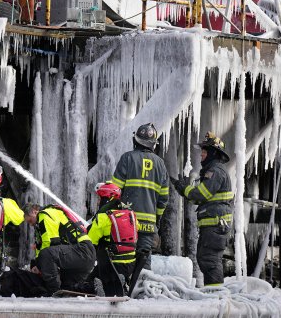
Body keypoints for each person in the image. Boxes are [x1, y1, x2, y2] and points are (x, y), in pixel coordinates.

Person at [170, 132, 234, 286]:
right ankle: (214, 294)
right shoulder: (213, 171)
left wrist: (184, 188)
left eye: (204, 152)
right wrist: (183, 189)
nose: (201, 155)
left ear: (213, 153)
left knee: (209, 259)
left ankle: (216, 297)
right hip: (214, 225)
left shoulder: (216, 171)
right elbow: (197, 197)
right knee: (206, 258)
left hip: (215, 225)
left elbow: (200, 194)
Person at [110, 123, 169, 262]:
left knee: (124, 261)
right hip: (148, 225)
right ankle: (143, 283)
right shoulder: (161, 164)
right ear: (153, 144)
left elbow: (114, 191)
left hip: (127, 221)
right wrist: (157, 219)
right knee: (143, 264)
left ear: (135, 140)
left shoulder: (127, 158)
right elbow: (163, 199)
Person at [22, 203, 96, 295]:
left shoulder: (44, 214)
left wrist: (39, 265)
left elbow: (50, 242)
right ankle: (94, 288)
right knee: (68, 287)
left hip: (81, 250)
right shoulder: (52, 214)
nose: (31, 224)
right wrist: (37, 264)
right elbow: (43, 246)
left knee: (46, 255)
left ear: (34, 211)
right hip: (84, 255)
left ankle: (53, 292)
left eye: (29, 221)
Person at [87, 182, 138, 291]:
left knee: (86, 284)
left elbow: (90, 243)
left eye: (100, 198)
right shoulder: (131, 215)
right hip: (130, 265)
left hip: (111, 266)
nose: (98, 202)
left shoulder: (103, 217)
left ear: (107, 198)